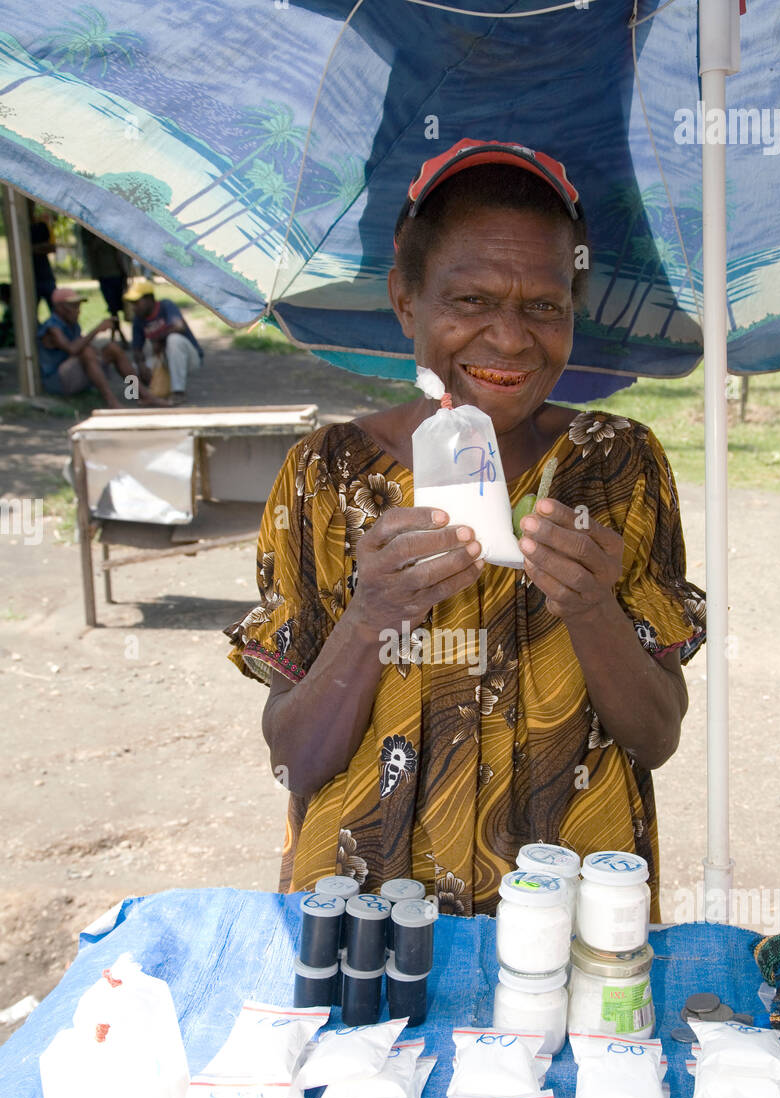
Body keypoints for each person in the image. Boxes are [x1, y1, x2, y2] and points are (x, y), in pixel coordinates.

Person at [226, 139, 707, 919]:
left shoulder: (617, 466)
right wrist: (372, 614)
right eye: (471, 301)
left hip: (573, 922)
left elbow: (654, 738)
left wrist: (591, 608)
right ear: (406, 299)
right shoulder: (326, 476)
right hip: (366, 924)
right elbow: (296, 757)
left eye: (544, 306)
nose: (512, 339)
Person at [37, 286, 166, 407]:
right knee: (86, 352)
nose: (78, 310)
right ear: (60, 308)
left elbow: (80, 345)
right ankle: (111, 401)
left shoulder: (72, 325)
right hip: (58, 381)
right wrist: (97, 329)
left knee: (113, 349)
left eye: (79, 306)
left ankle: (142, 394)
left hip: (74, 372)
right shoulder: (52, 328)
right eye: (73, 306)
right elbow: (72, 349)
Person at [126, 279, 203, 404]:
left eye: (136, 302)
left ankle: (179, 392)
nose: (134, 307)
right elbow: (136, 348)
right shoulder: (138, 319)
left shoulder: (165, 305)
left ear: (149, 299)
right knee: (132, 366)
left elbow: (179, 326)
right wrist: (141, 365)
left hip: (190, 359)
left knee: (174, 340)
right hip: (165, 360)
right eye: (131, 303)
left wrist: (159, 339)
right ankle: (137, 395)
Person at [80, 227, 130, 322]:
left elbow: (118, 253)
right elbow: (90, 248)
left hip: (115, 273)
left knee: (118, 305)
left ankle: (117, 329)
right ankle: (116, 329)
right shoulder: (90, 230)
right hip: (105, 274)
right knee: (113, 307)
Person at [29, 204, 57, 314]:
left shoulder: (41, 226)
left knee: (55, 308)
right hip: (31, 277)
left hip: (45, 274)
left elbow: (52, 247)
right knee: (31, 312)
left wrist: (31, 249)